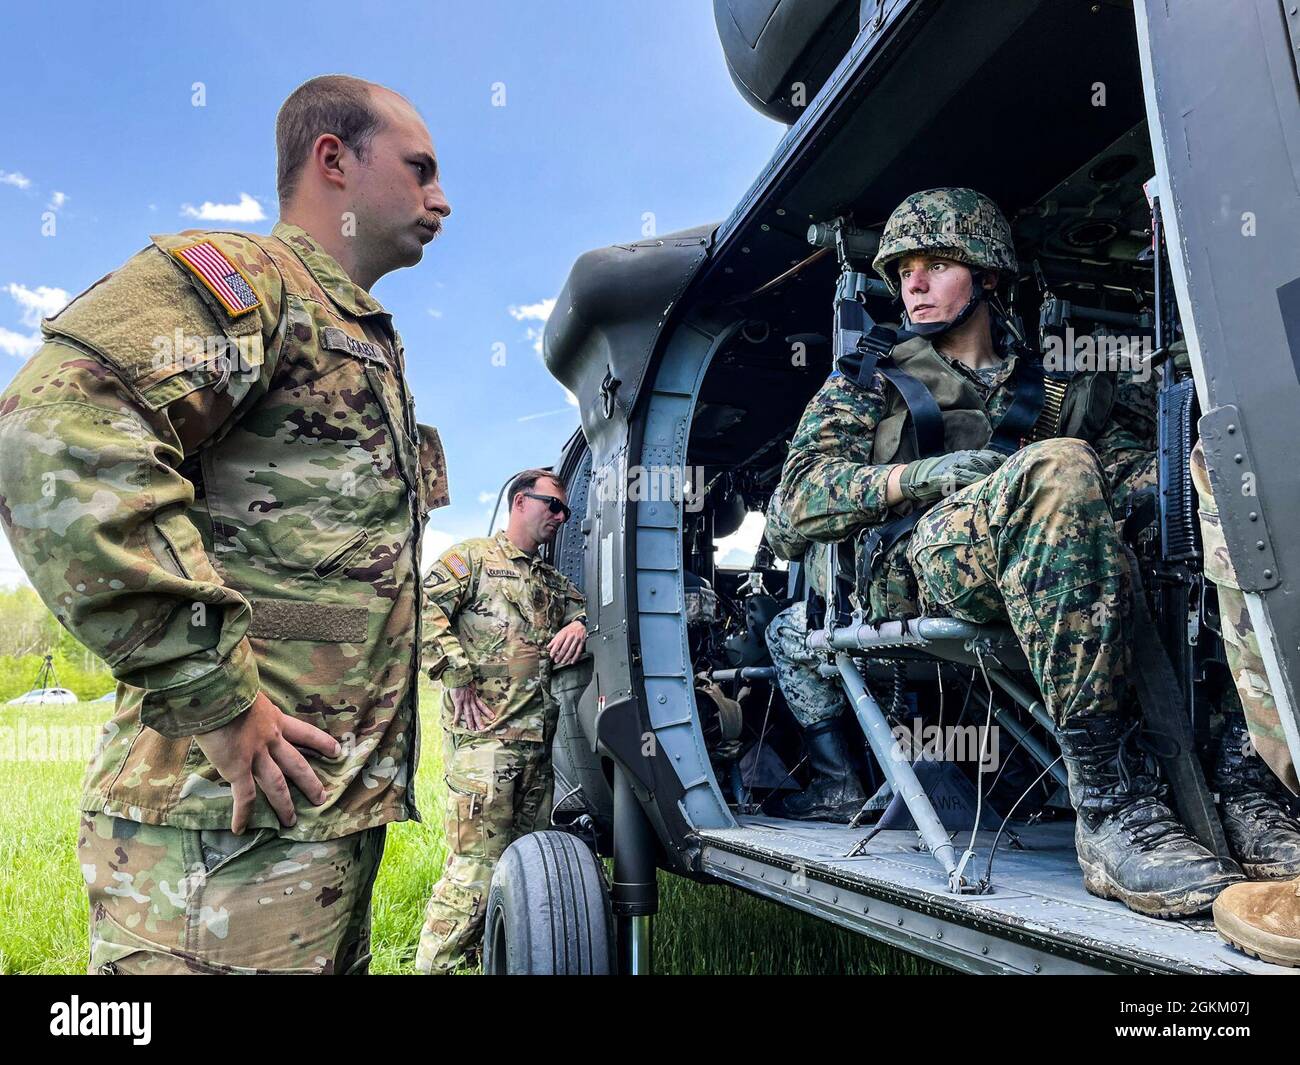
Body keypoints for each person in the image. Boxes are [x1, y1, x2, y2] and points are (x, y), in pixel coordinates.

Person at [0, 73, 452, 973]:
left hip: (314, 831)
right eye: (421, 168)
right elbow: (52, 430)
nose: (441, 198)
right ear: (334, 158)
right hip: (219, 845)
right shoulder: (249, 281)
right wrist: (218, 696)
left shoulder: (353, 333)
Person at [773, 187, 1246, 917]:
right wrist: (911, 477)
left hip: (1042, 551)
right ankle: (1112, 803)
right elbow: (794, 503)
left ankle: (1246, 779)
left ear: (990, 276)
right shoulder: (869, 376)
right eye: (904, 270)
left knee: (1205, 491)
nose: (914, 284)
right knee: (1058, 466)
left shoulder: (1050, 382)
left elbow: (1124, 467)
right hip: (916, 562)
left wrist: (1185, 483)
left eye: (937, 264)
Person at [416, 469, 587, 974]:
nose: (560, 517)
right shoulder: (471, 559)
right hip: (484, 750)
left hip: (538, 750)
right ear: (519, 502)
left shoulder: (552, 583)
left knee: (524, 873)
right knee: (473, 875)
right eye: (552, 506)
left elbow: (591, 612)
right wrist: (457, 672)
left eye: (565, 511)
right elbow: (421, 606)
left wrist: (578, 624)